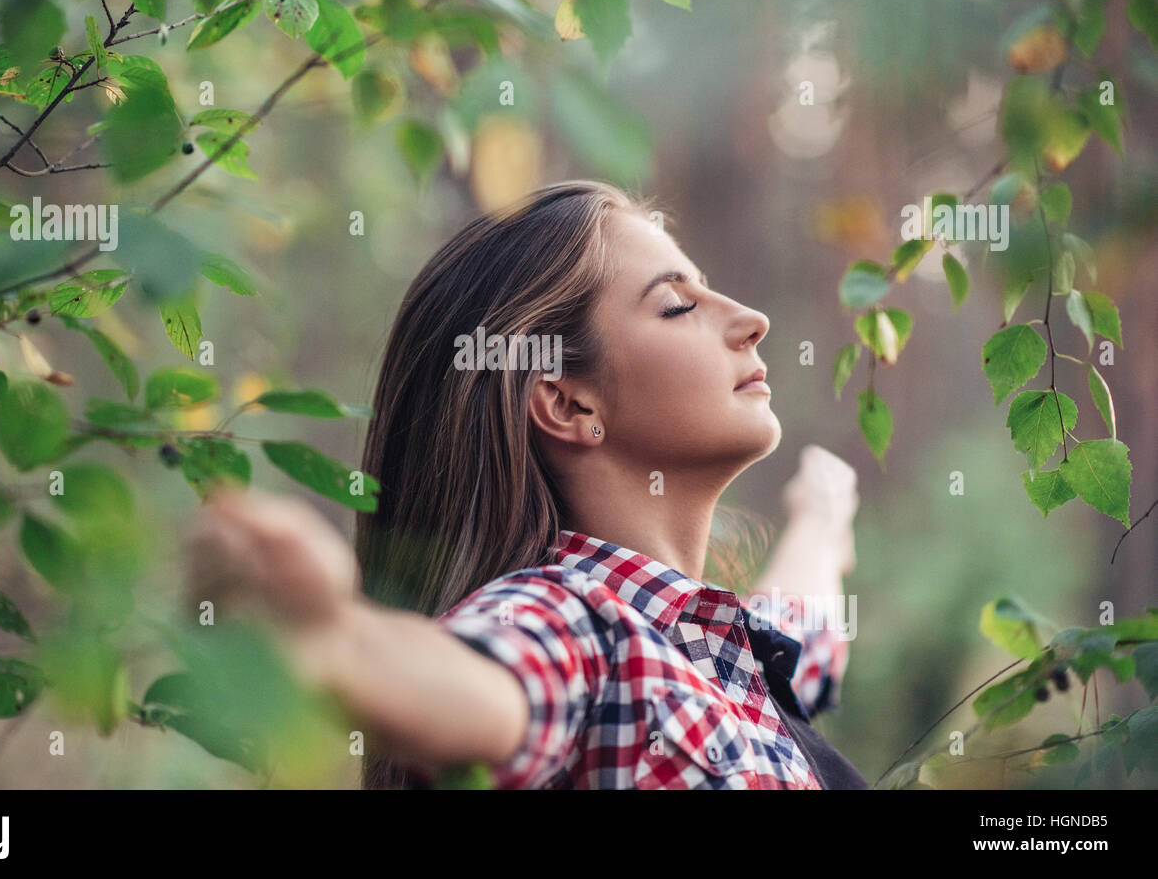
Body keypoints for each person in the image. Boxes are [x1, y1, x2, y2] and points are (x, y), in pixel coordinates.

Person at [185, 179, 867, 789]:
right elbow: (489, 686)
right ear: (569, 404)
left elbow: (797, 627)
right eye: (677, 306)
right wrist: (331, 640)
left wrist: (821, 516)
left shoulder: (727, 661)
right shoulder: (578, 629)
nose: (752, 320)